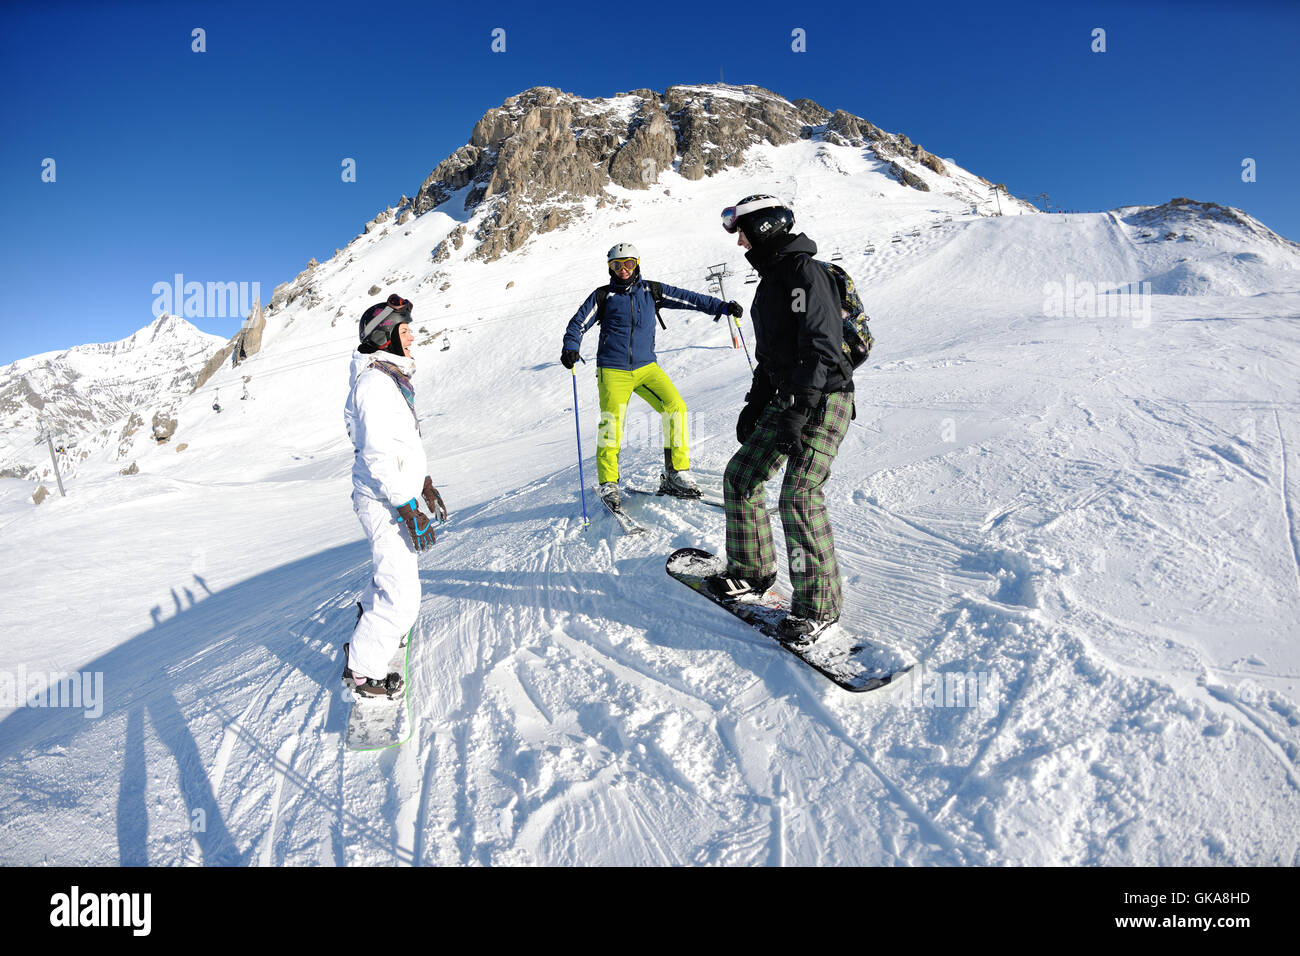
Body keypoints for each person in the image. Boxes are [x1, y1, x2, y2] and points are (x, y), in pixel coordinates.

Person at [709, 196, 855, 644]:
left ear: (768, 226)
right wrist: (756, 403)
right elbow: (771, 357)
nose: (740, 243)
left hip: (825, 397)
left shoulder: (804, 274)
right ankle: (752, 572)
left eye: (744, 232)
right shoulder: (770, 281)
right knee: (741, 476)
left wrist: (798, 411)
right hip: (787, 397)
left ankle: (818, 607)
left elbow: (823, 348)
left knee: (798, 494)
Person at [560, 242, 744, 506]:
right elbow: (578, 323)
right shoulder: (603, 296)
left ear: (637, 263)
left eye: (629, 264)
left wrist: (721, 307)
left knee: (675, 406)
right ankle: (609, 483)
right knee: (612, 423)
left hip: (647, 368)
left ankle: (676, 473)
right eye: (617, 265)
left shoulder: (652, 291)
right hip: (613, 370)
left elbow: (689, 299)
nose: (623, 270)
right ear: (610, 267)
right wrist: (571, 348)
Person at [343, 293, 447, 697]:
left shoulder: (389, 379)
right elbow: (378, 454)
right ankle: (363, 671)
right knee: (403, 597)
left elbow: (402, 443)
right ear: (385, 336)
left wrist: (423, 482)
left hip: (394, 496)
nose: (413, 338)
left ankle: (371, 612)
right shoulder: (374, 385)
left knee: (397, 575)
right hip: (383, 500)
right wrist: (406, 507)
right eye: (405, 331)